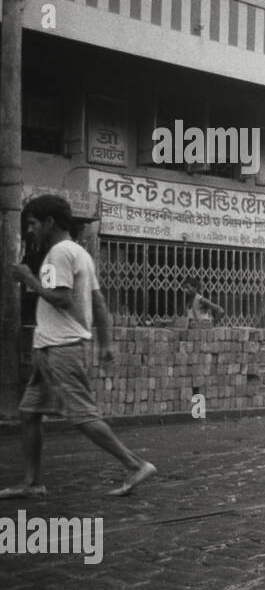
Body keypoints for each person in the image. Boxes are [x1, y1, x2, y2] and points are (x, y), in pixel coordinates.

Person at [2, 195, 157, 498]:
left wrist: (27, 278)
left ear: (49, 222)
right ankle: (32, 482)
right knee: (29, 412)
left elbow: (62, 299)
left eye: (33, 224)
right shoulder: (80, 252)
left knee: (82, 415)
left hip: (61, 348)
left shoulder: (58, 253)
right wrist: (105, 342)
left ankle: (135, 464)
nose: (30, 230)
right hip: (51, 347)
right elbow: (98, 302)